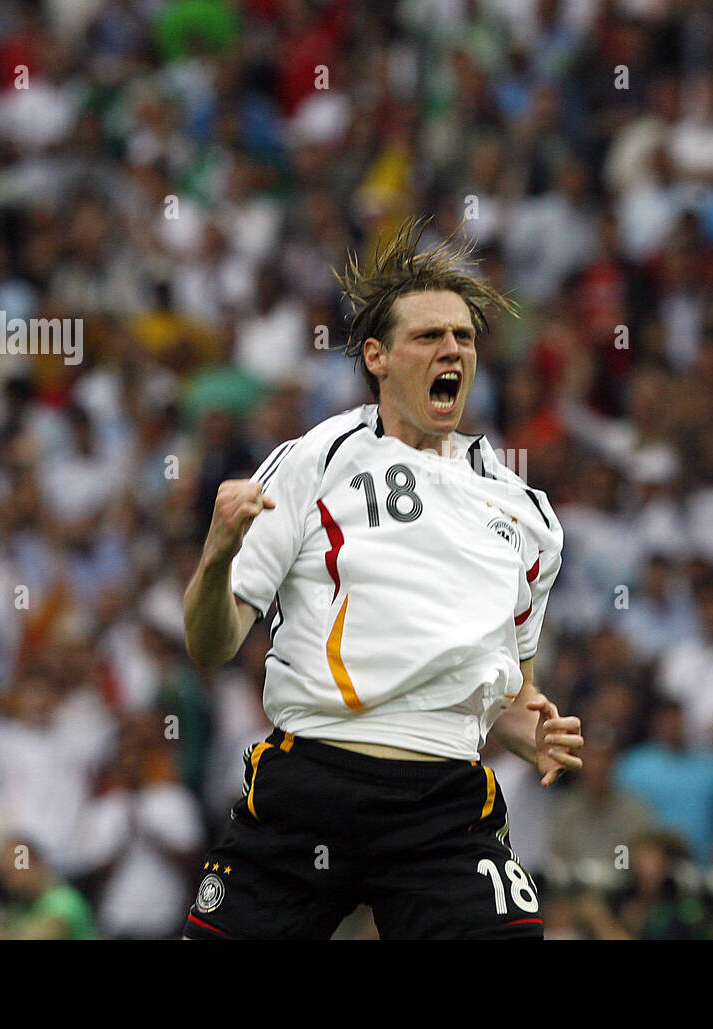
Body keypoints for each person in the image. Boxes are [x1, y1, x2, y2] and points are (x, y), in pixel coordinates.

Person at [181, 220, 583, 939]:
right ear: (378, 356)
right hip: (314, 781)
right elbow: (211, 644)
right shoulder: (314, 460)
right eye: (429, 336)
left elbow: (513, 697)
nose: (452, 348)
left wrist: (534, 731)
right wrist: (215, 558)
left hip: (443, 801)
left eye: (463, 336)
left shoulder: (527, 515)